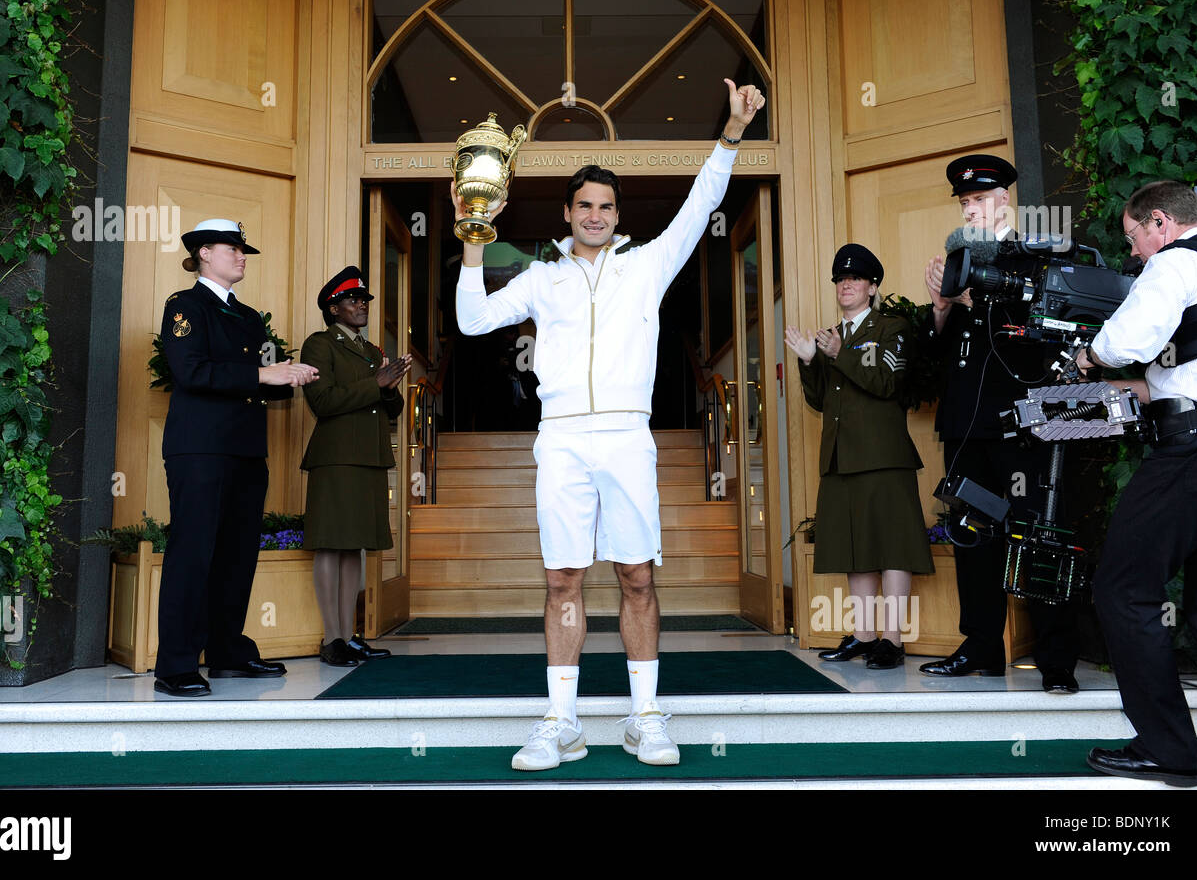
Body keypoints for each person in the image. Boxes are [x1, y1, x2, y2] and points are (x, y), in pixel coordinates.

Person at [454, 78, 765, 770]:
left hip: (627, 434)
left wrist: (734, 131)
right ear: (566, 212)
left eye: (606, 206)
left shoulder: (648, 265)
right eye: (584, 205)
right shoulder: (540, 277)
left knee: (636, 576)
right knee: (562, 579)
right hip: (562, 435)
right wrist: (473, 237)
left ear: (618, 215)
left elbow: (701, 204)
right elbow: (472, 320)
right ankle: (560, 722)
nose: (595, 215)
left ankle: (645, 714)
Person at [1075, 181, 1197, 788]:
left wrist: (1090, 356)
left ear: (1159, 222)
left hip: (1192, 448)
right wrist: (1151, 388)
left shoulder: (1177, 261)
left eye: (1134, 238)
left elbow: (1125, 342)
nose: (1135, 254)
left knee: (1124, 589)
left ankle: (1167, 750)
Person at [919, 155, 1081, 692]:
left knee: (1039, 535)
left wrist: (974, 298)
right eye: (965, 203)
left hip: (1023, 422)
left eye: (980, 201)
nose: (972, 209)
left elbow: (1048, 328)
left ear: (1005, 201)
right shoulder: (957, 256)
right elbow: (939, 356)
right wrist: (941, 309)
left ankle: (1055, 657)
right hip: (967, 422)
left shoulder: (1037, 253)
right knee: (972, 537)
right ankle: (982, 647)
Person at [155, 218, 319, 697]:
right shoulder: (185, 307)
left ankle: (226, 650)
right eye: (233, 248)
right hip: (200, 448)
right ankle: (176, 664)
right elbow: (190, 371)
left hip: (245, 448)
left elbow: (254, 383)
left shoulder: (247, 317)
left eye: (243, 250)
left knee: (236, 554)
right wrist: (265, 375)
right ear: (204, 253)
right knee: (193, 552)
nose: (242, 255)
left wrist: (288, 379)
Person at [786, 244, 932, 669]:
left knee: (893, 548)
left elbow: (886, 382)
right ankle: (864, 636)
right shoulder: (833, 336)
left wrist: (836, 354)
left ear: (871, 287)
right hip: (840, 457)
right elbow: (819, 401)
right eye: (839, 279)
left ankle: (893, 640)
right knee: (856, 550)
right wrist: (810, 362)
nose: (845, 284)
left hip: (883, 456)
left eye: (854, 279)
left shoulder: (891, 328)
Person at [299, 267, 410, 666]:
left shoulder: (370, 350)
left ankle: (349, 635)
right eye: (352, 300)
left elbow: (387, 407)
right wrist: (376, 384)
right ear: (333, 308)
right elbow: (323, 402)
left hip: (369, 456)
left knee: (355, 550)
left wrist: (391, 388)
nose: (361, 305)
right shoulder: (319, 345)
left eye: (365, 300)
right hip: (337, 457)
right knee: (332, 545)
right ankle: (332, 639)